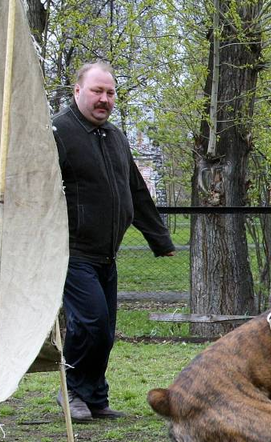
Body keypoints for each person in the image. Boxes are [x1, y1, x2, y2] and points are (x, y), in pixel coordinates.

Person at [51, 61, 175, 422]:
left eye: (110, 92)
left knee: (104, 330)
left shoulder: (116, 137)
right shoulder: (58, 132)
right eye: (97, 91)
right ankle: (71, 389)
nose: (104, 99)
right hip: (73, 251)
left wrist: (159, 238)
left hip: (107, 253)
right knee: (90, 323)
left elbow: (135, 191)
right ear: (77, 91)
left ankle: (95, 398)